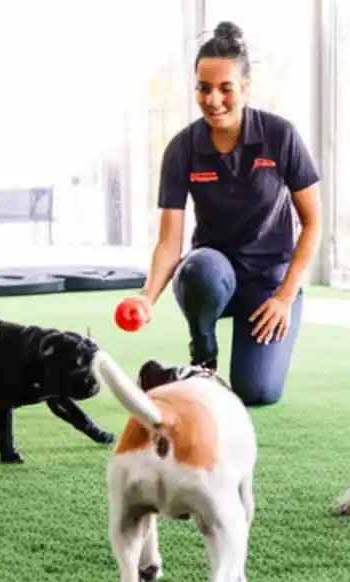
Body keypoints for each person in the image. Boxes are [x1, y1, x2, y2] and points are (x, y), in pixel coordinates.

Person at [125, 20, 322, 407]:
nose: (213, 99)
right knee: (200, 270)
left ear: (245, 88)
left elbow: (313, 222)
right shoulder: (182, 148)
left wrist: (285, 296)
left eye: (225, 88)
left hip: (269, 283)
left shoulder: (280, 136)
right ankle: (203, 356)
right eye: (203, 88)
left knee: (258, 392)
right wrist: (148, 296)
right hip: (213, 275)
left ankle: (185, 378)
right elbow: (169, 241)